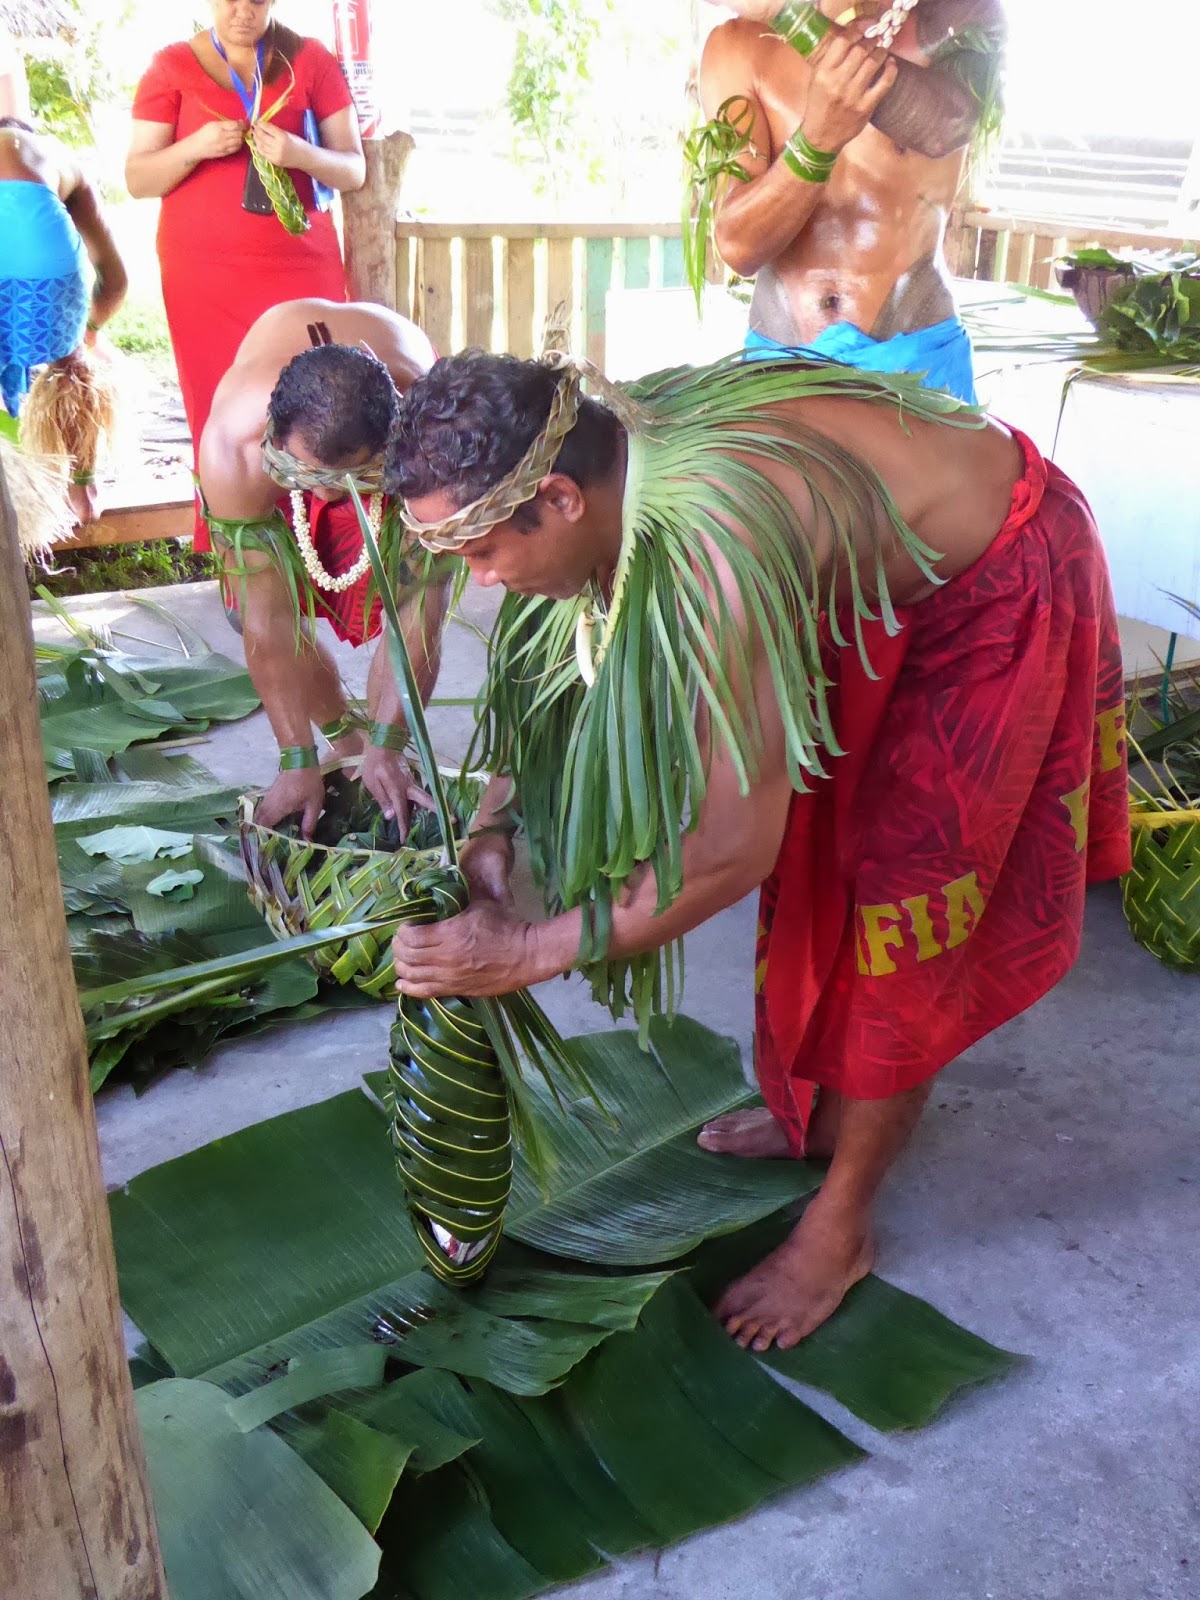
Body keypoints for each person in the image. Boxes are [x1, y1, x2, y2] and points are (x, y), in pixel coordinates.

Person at [382, 347, 1130, 1350]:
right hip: (875, 577)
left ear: (558, 499)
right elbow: (557, 666)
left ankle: (842, 1222)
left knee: (902, 914)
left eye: (480, 552)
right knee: (821, 854)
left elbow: (730, 851)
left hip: (1000, 576)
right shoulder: (605, 451)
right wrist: (493, 827)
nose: (479, 581)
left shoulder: (717, 553)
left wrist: (525, 952)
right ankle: (815, 1111)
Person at [198, 297, 448, 836]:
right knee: (248, 609)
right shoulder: (234, 447)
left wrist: (390, 744)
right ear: (273, 435)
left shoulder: (429, 441)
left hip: (390, 453)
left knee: (410, 585)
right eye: (310, 478)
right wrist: (296, 759)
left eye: (344, 481)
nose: (327, 495)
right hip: (279, 453)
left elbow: (417, 615)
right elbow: (269, 622)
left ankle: (372, 745)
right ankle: (343, 735)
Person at [126, 0, 365, 545]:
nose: (242, 11)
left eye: (256, 0)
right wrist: (196, 147)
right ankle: (241, 559)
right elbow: (139, 178)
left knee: (318, 406)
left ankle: (324, 554)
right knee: (218, 410)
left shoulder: (312, 61)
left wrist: (301, 153)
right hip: (202, 277)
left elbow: (353, 169)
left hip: (301, 271)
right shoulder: (171, 66)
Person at [694, 0, 1005, 402]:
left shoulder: (959, 12)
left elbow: (944, 127)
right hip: (779, 364)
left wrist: (788, 15)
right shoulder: (734, 46)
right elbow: (739, 246)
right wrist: (816, 142)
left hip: (917, 358)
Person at [0, 115, 127, 521]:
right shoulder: (57, 156)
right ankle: (81, 492)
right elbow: (115, 280)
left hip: (34, 229)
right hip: (40, 244)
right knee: (68, 368)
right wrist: (85, 335)